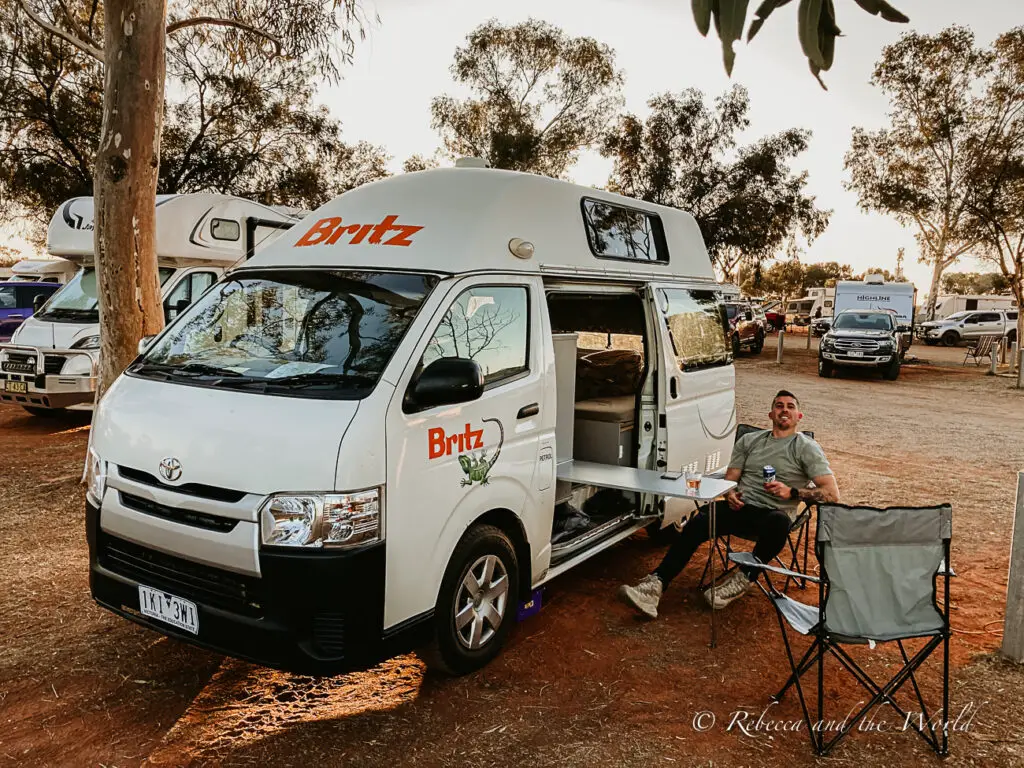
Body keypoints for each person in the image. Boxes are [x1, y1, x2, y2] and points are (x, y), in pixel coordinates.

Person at [619, 390, 840, 618]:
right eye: (779, 406)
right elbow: (730, 479)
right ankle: (655, 585)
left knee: (779, 523)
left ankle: (743, 578)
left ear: (799, 416)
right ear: (771, 413)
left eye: (790, 406)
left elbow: (832, 493)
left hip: (773, 515)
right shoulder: (749, 441)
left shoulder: (805, 447)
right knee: (701, 519)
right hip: (740, 508)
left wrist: (792, 491)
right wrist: (730, 493)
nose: (785, 410)